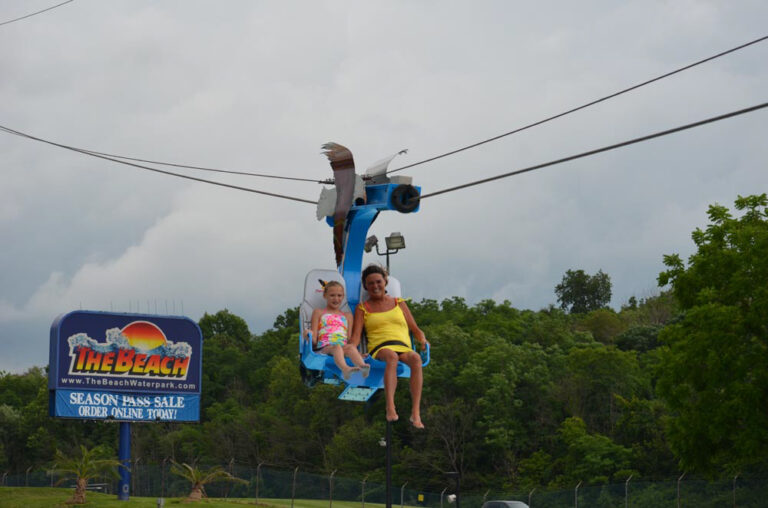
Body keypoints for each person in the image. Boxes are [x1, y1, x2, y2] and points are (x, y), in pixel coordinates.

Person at [349, 264, 429, 428]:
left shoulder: (399, 303)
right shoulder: (362, 308)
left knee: (415, 359)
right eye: (370, 283)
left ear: (385, 282)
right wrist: (352, 351)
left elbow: (415, 329)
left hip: (403, 345)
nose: (375, 286)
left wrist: (422, 340)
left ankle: (415, 413)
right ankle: (390, 406)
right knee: (391, 356)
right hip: (381, 346)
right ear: (366, 286)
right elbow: (356, 336)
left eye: (378, 282)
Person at [310, 281, 370, 380]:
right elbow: (314, 338)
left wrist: (358, 354)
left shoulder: (348, 316)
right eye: (332, 295)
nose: (336, 299)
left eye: (339, 295)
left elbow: (349, 338)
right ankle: (345, 369)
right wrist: (309, 335)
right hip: (324, 347)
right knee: (337, 347)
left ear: (343, 297)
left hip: (342, 346)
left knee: (350, 347)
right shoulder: (319, 312)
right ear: (325, 295)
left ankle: (362, 366)